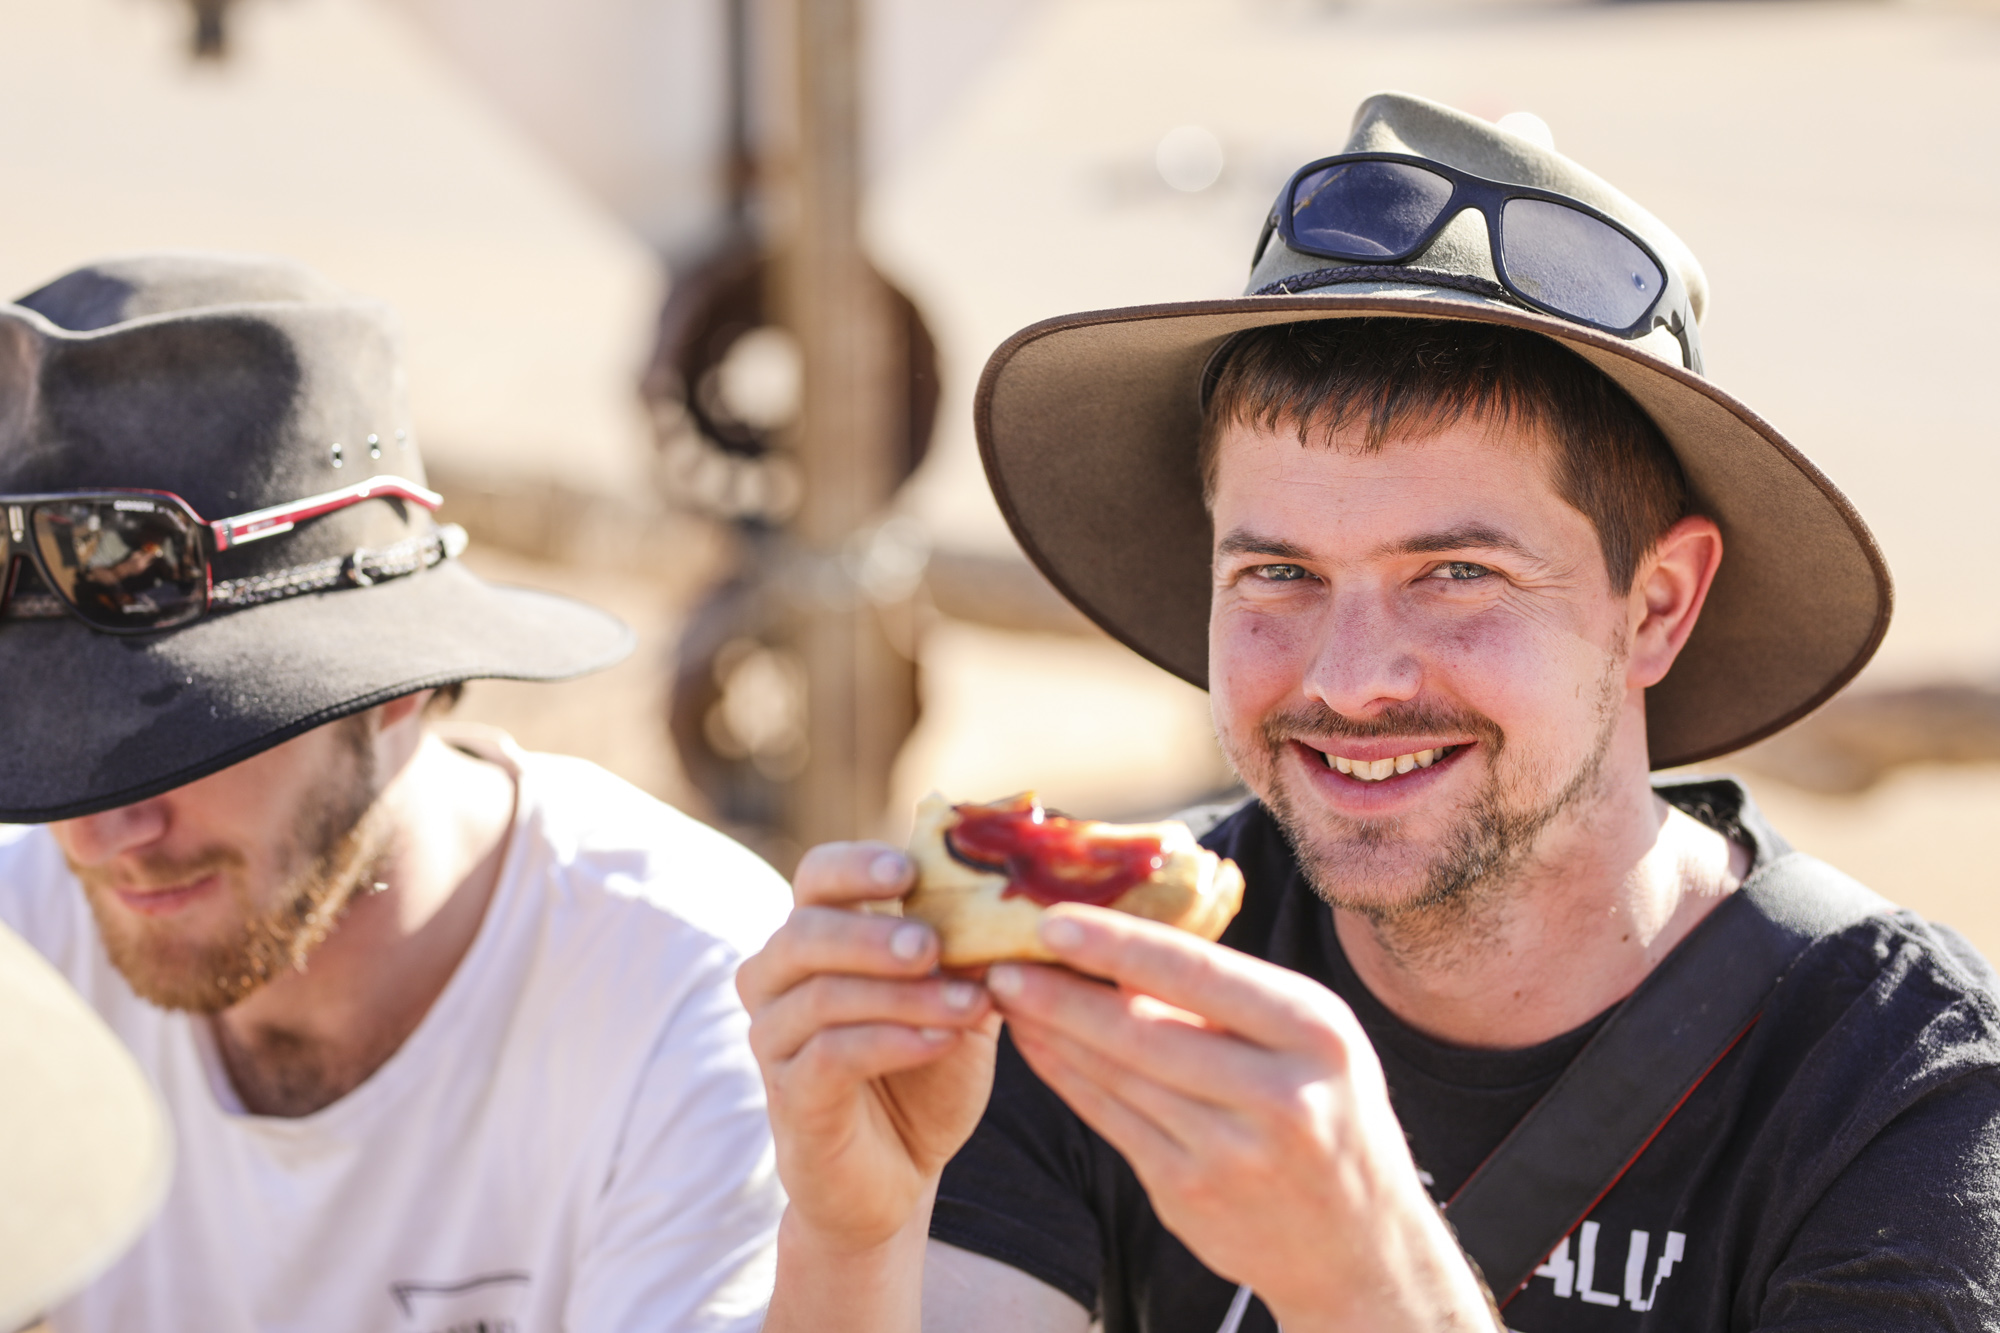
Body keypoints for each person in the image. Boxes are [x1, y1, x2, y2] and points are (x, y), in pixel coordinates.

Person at [737, 92, 2000, 1331]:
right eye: (1276, 572)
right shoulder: (1092, 978)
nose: (1347, 679)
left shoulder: (1890, 1085)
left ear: (1655, 605)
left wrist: (1370, 1281)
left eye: (1455, 574)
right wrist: (855, 1234)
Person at [0, 254, 791, 1332]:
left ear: (395, 688)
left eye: (179, 742)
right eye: (39, 741)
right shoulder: (23, 953)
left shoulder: (686, 992)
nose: (103, 831)